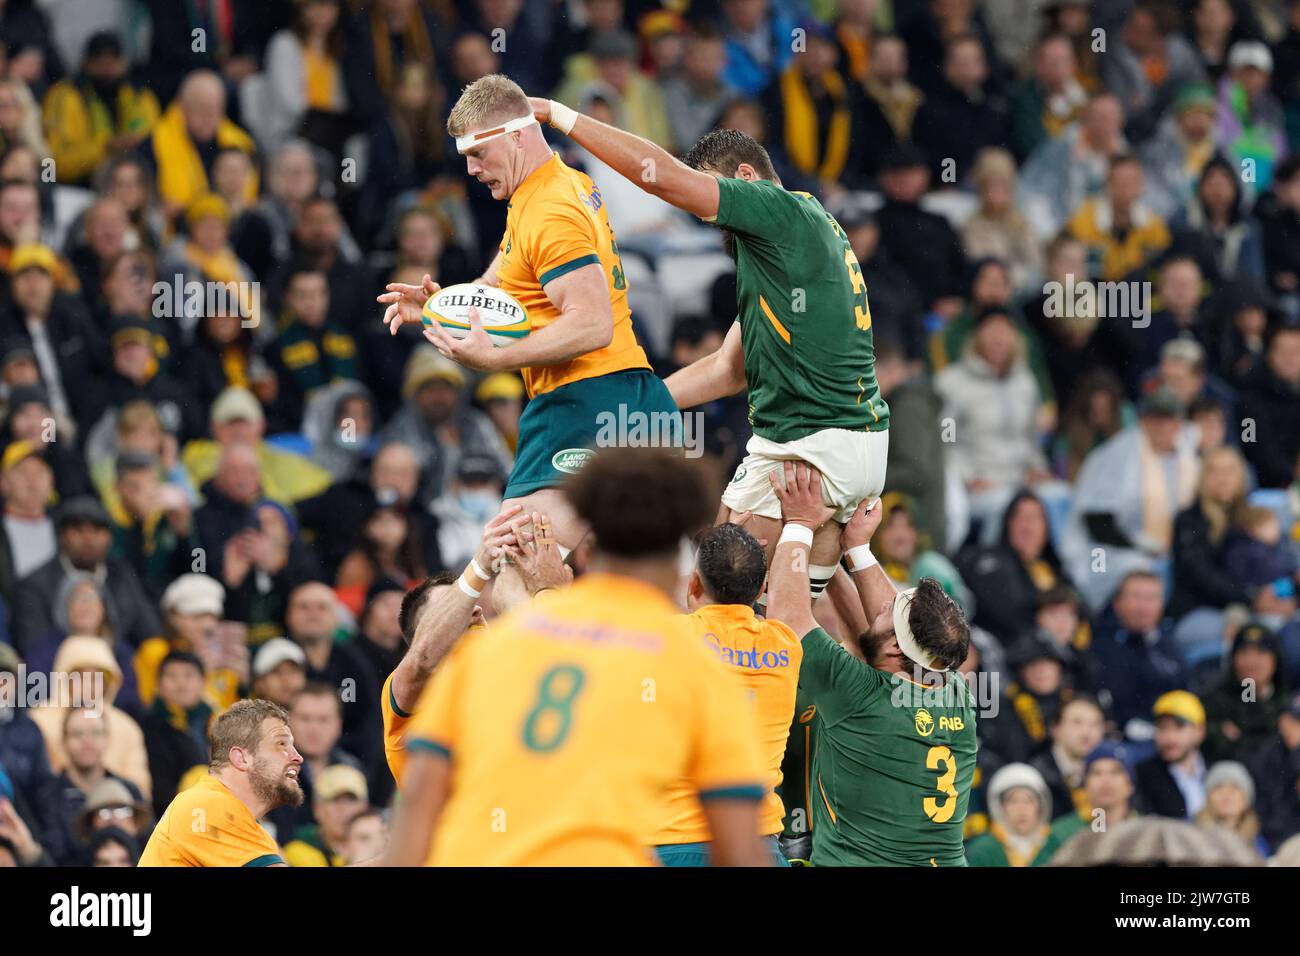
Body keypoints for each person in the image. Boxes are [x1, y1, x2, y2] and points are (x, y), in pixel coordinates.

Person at [528, 94, 891, 600]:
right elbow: (728, 370)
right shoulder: (789, 245)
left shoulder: (780, 211)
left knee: (719, 606)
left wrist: (558, 116)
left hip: (811, 442)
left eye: (713, 205)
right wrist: (636, 409)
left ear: (744, 177)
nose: (710, 222)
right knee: (760, 615)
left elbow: (664, 179)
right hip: (839, 440)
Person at [386, 448, 768, 867]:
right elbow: (740, 846)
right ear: (684, 567)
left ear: (586, 552)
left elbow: (419, 806)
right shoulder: (696, 667)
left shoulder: (491, 651)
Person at [379, 74, 675, 612]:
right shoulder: (557, 185)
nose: (470, 169)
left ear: (518, 134)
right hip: (629, 398)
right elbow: (510, 285)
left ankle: (555, 685)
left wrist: (494, 358)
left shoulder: (549, 210)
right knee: (632, 588)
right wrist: (442, 303)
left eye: (477, 152)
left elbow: (590, 325)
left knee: (509, 581)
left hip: (580, 405)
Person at [767, 462, 976, 866]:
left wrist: (798, 525)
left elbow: (786, 614)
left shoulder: (857, 693)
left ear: (897, 649)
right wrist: (853, 551)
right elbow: (876, 633)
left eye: (890, 614)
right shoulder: (956, 692)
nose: (884, 605)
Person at [653, 521, 800, 866]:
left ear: (693, 583)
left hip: (672, 844)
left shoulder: (665, 637)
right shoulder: (787, 645)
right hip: (756, 849)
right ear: (761, 588)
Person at [139, 699, 300, 866]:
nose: (297, 756)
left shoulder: (250, 830)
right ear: (241, 758)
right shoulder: (205, 806)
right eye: (281, 744)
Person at [964, 763, 1061, 866]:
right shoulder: (981, 850)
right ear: (1000, 807)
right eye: (1013, 801)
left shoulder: (1056, 846)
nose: (1021, 809)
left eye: (1029, 800)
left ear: (1041, 806)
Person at [1134, 691, 1209, 819]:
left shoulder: (1217, 768)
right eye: (1162, 727)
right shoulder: (1143, 775)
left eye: (1179, 727)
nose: (1169, 737)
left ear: (1200, 731)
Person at [283, 763, 368, 867]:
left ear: (365, 807)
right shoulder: (300, 851)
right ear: (317, 808)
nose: (344, 809)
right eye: (335, 800)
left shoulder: (382, 845)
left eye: (351, 800)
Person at [1195, 760, 1270, 855]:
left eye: (1235, 787)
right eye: (1218, 787)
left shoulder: (1258, 844)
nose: (1226, 794)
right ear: (1207, 798)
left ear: (1246, 801)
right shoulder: (1190, 833)